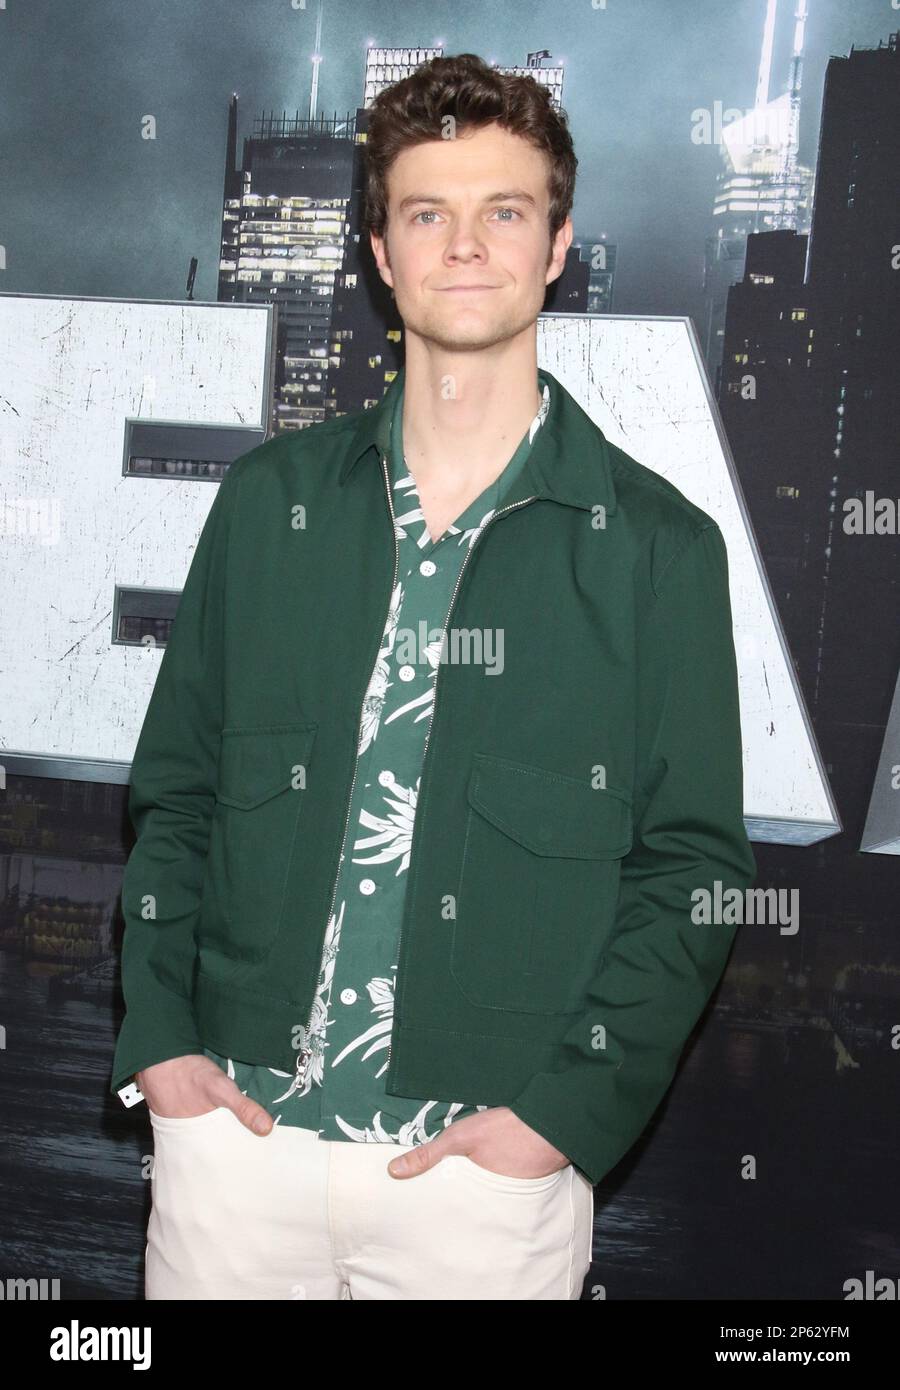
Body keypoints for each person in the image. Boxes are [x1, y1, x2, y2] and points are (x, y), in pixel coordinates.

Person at [111, 52, 756, 1301]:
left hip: (484, 1181)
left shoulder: (661, 548)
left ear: (558, 245)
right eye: (428, 213)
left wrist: (559, 1116)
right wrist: (164, 1049)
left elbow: (697, 873)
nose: (466, 245)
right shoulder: (268, 507)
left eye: (503, 211)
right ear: (380, 252)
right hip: (235, 1152)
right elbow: (175, 797)